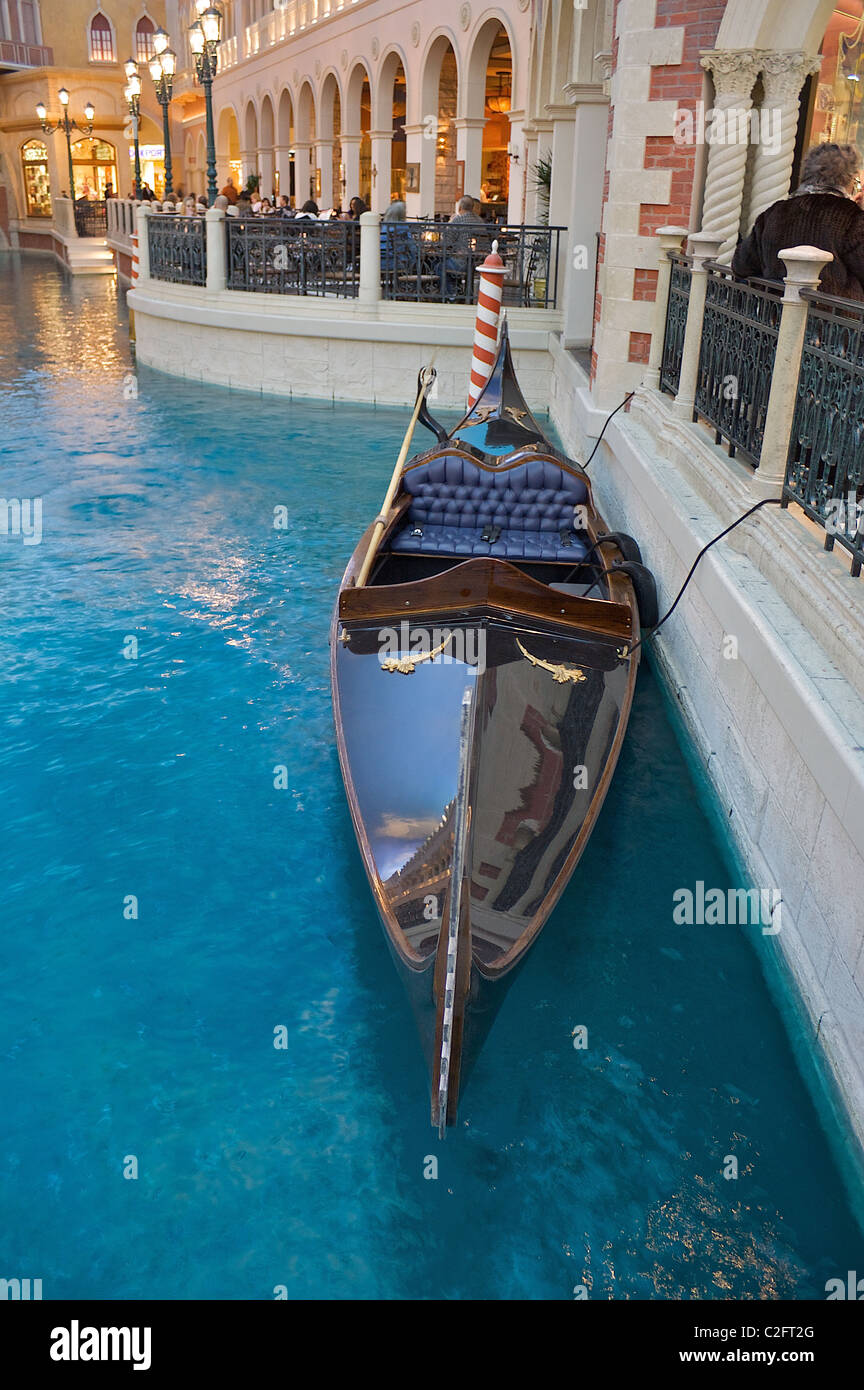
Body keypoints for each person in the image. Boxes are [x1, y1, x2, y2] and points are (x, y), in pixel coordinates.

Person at [732, 142, 864, 301]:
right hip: (831, 323)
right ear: (848, 179)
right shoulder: (851, 217)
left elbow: (741, 265)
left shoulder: (774, 213)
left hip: (774, 318)